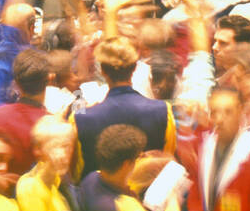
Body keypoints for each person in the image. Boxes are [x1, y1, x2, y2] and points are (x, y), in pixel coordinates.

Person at [73, 37, 176, 177]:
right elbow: (165, 162)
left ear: (102, 71)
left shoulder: (81, 118)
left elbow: (76, 172)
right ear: (134, 68)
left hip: (97, 194)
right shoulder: (162, 111)